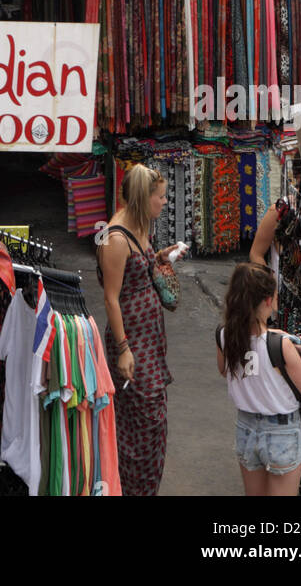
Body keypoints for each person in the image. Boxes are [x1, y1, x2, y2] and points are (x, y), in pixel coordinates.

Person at [96, 163, 176, 495]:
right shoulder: (115, 238)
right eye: (160, 197)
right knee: (141, 424)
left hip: (149, 342)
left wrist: (159, 257)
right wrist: (124, 348)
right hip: (133, 344)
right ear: (145, 199)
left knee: (151, 422)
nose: (164, 203)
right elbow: (111, 298)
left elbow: (137, 270)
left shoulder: (140, 225)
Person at [216, 263, 301, 496]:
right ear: (267, 300)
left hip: (246, 428)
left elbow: (225, 370)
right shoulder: (280, 346)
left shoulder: (225, 335)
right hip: (281, 433)